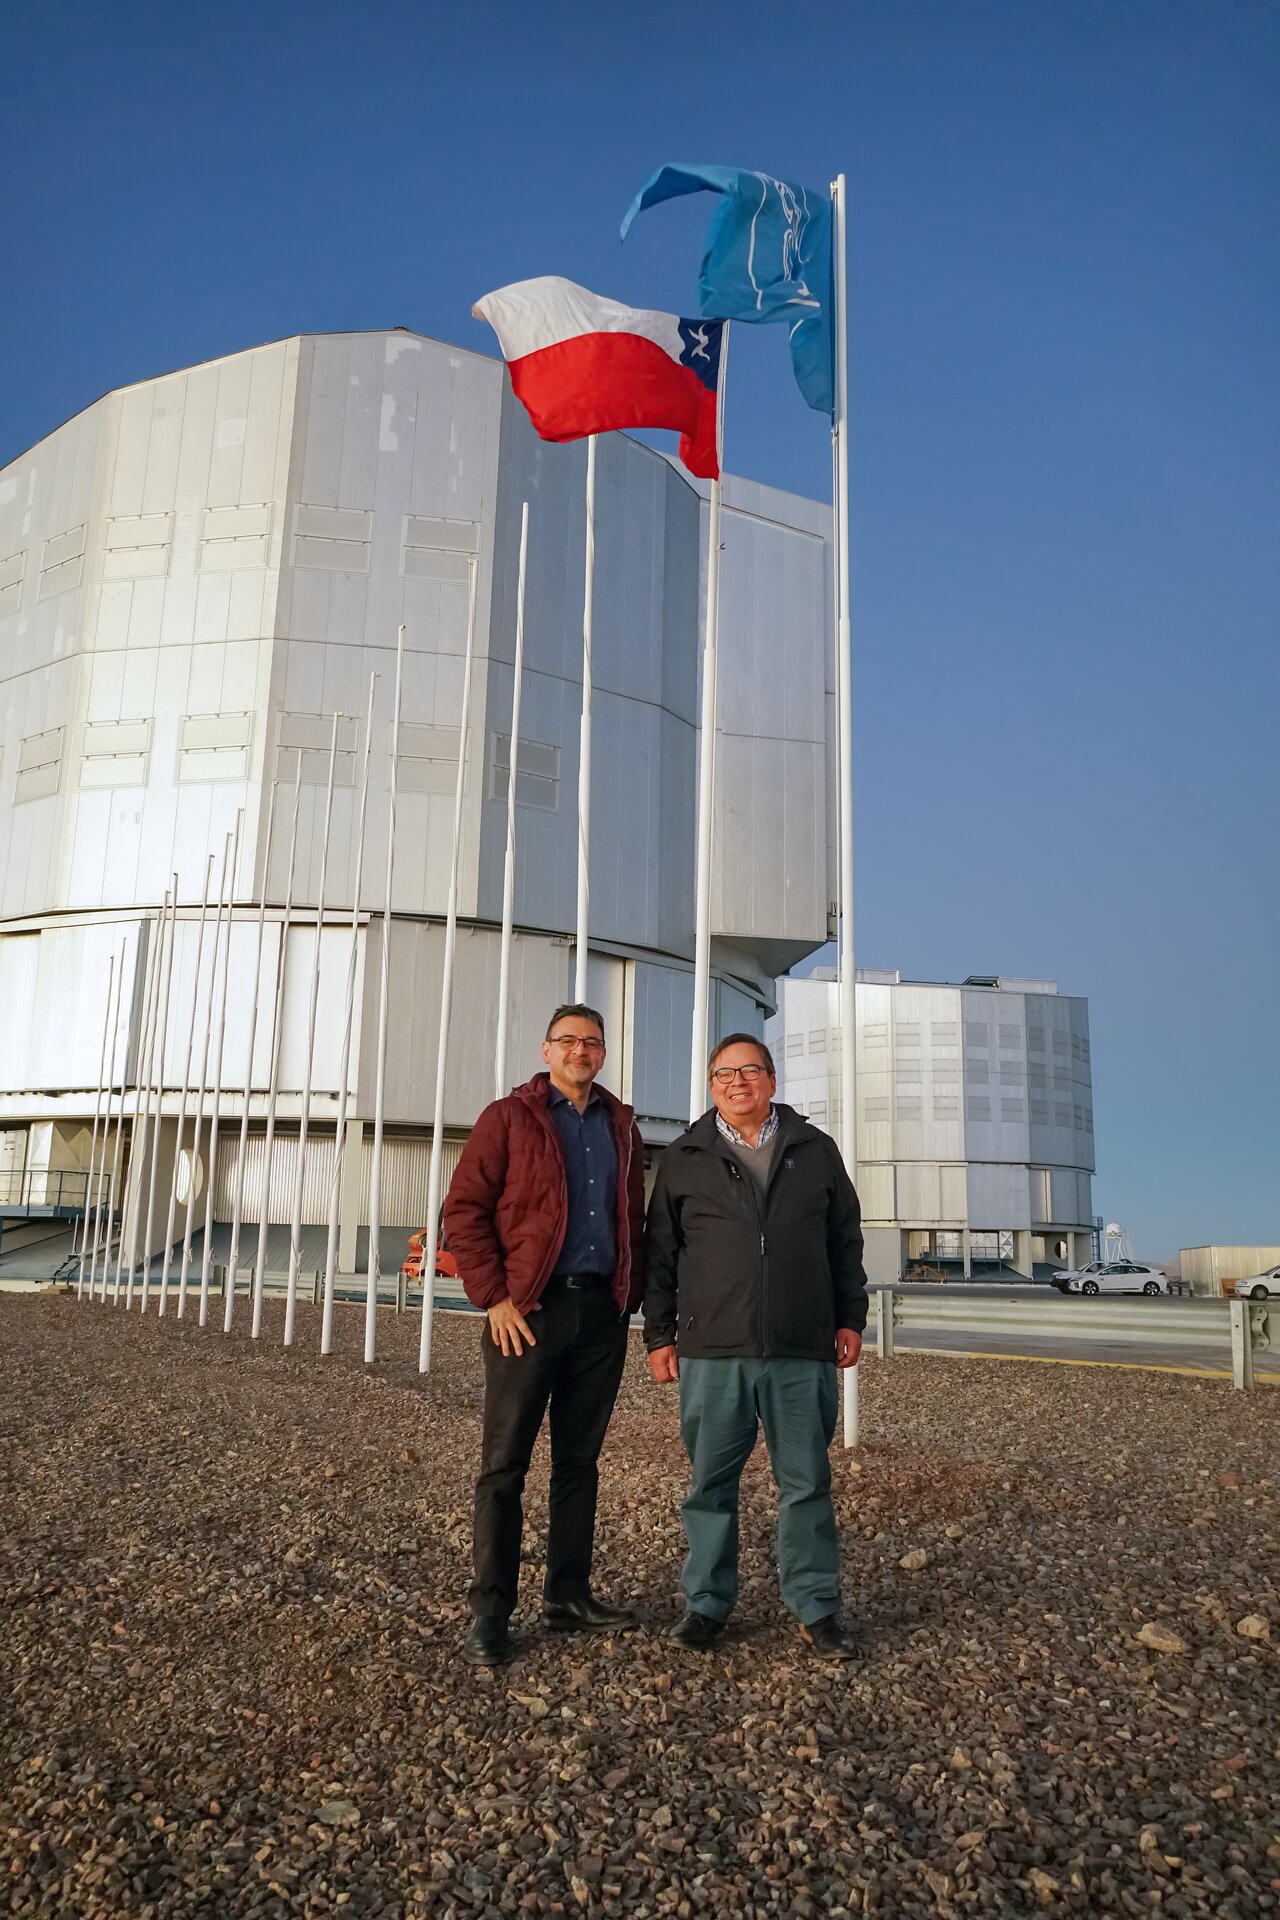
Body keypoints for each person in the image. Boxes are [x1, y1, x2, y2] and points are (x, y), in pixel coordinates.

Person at [643, 1033, 867, 1659]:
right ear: (711, 1085)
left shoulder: (815, 1152)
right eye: (723, 1074)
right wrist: (660, 1334)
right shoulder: (686, 1156)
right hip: (714, 1351)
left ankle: (816, 1606)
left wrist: (851, 1316)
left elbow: (844, 1242)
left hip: (801, 1349)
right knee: (710, 1486)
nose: (737, 1082)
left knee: (806, 1483)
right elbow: (660, 1254)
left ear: (771, 1080)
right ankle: (706, 1606)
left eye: (750, 1071)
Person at [444, 1003, 646, 1666]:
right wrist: (494, 1298)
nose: (579, 1051)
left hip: (600, 1315)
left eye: (591, 1042)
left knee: (579, 1464)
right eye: (567, 1041)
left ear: (604, 1053)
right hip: (528, 1315)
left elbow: (631, 1217)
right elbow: (464, 1212)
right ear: (546, 1049)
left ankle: (567, 1595)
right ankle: (491, 1611)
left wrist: (630, 1298)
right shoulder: (508, 1119)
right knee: (504, 1465)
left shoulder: (621, 1125)